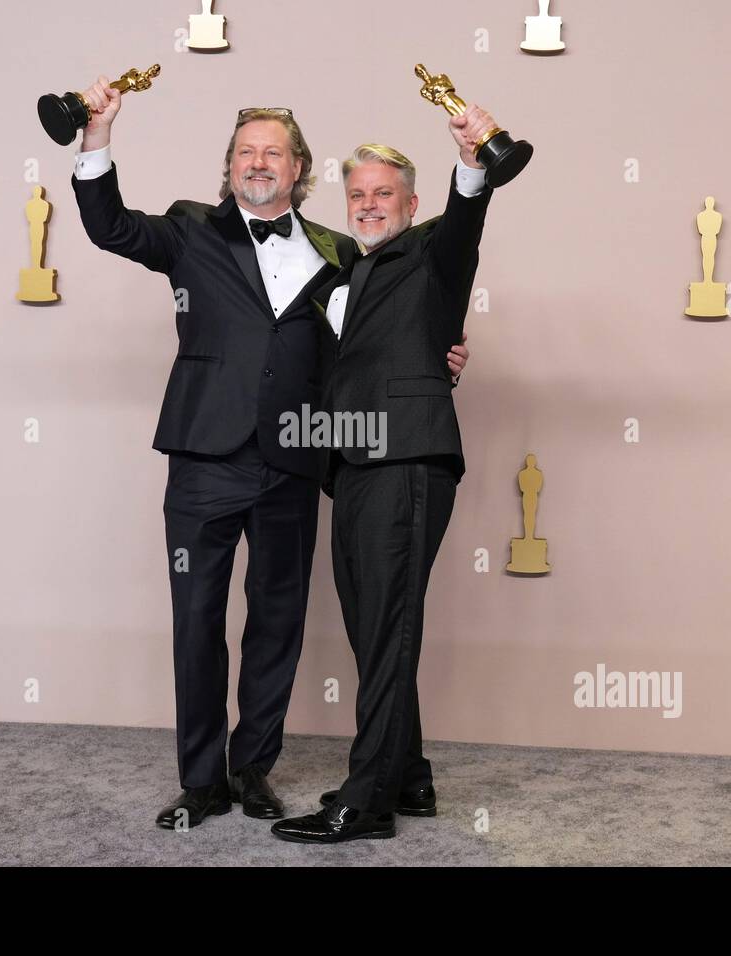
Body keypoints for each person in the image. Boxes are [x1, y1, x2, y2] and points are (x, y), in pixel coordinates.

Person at [69, 78, 470, 829]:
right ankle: (201, 779)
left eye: (275, 153)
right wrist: (97, 137)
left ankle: (253, 769)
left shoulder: (342, 250)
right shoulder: (189, 230)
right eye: (246, 152)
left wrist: (442, 352)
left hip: (296, 459)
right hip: (202, 456)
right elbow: (109, 227)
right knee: (196, 619)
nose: (259, 163)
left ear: (299, 171)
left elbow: (388, 327)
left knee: (278, 622)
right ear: (229, 168)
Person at [271, 104, 499, 843]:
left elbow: (467, 218)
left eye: (383, 195)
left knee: (389, 623)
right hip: (355, 462)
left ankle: (365, 801)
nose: (369, 206)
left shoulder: (433, 254)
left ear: (412, 203)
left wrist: (472, 163)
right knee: (379, 628)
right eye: (358, 197)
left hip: (405, 460)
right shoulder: (345, 274)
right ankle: (409, 775)